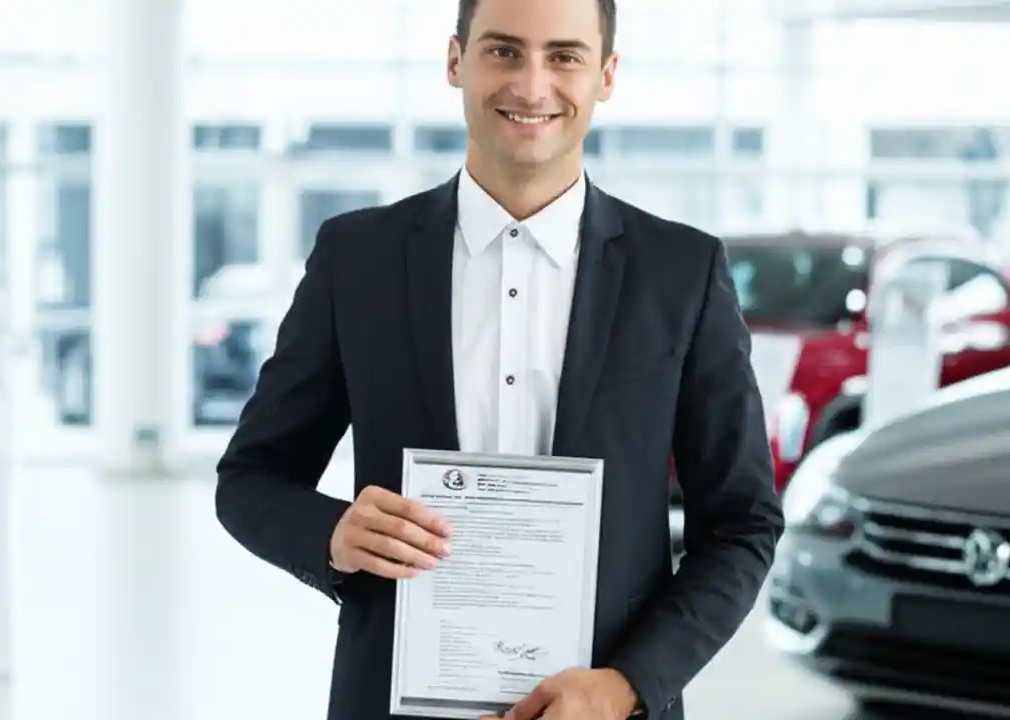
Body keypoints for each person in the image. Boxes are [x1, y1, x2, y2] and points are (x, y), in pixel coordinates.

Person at [214, 0, 784, 717]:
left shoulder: (681, 273)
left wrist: (628, 684)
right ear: (456, 61)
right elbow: (249, 479)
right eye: (504, 52)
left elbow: (741, 524)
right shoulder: (357, 259)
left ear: (606, 75)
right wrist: (330, 533)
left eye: (564, 57)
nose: (532, 85)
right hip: (393, 698)